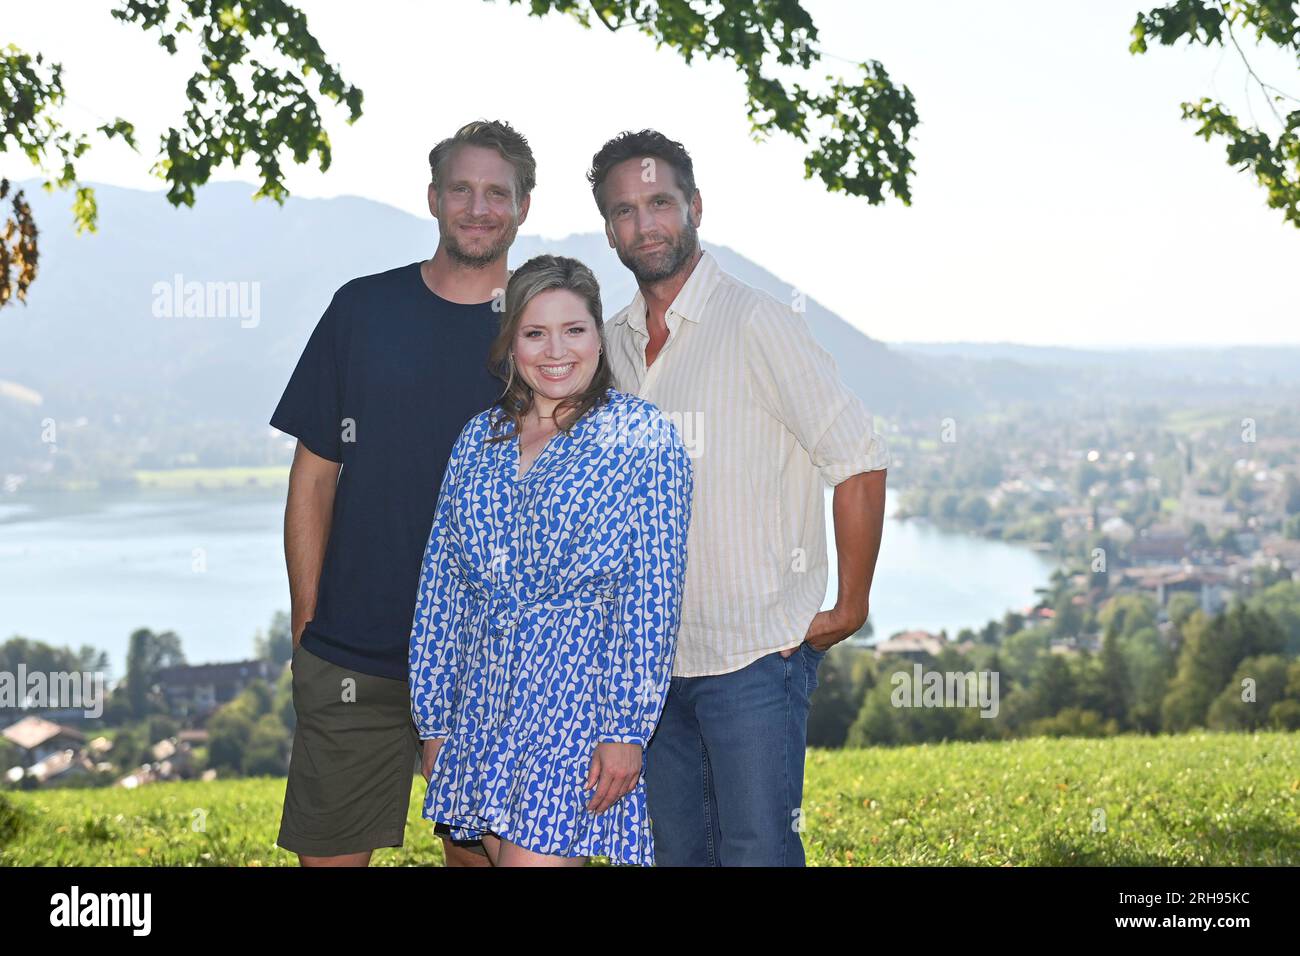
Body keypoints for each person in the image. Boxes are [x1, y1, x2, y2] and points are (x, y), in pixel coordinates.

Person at [587, 129, 890, 866]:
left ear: (695, 206)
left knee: (758, 852)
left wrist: (850, 605)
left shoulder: (757, 321)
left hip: (756, 657)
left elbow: (858, 457)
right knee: (678, 857)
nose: (646, 223)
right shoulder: (610, 343)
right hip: (651, 671)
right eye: (625, 210)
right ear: (610, 230)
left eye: (660, 202)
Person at [271, 119, 534, 867]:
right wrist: (307, 621)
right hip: (354, 649)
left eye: (497, 193)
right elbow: (314, 476)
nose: (478, 207)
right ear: (433, 198)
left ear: (522, 208)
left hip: (490, 658)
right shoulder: (362, 310)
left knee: (477, 858)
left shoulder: (542, 331)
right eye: (462, 188)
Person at [410, 254, 693, 866]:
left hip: (575, 707)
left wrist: (625, 729)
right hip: (482, 707)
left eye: (574, 329)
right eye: (535, 332)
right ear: (512, 344)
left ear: (599, 337)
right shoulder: (477, 441)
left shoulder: (641, 437)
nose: (556, 350)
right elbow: (442, 589)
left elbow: (652, 593)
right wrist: (433, 722)